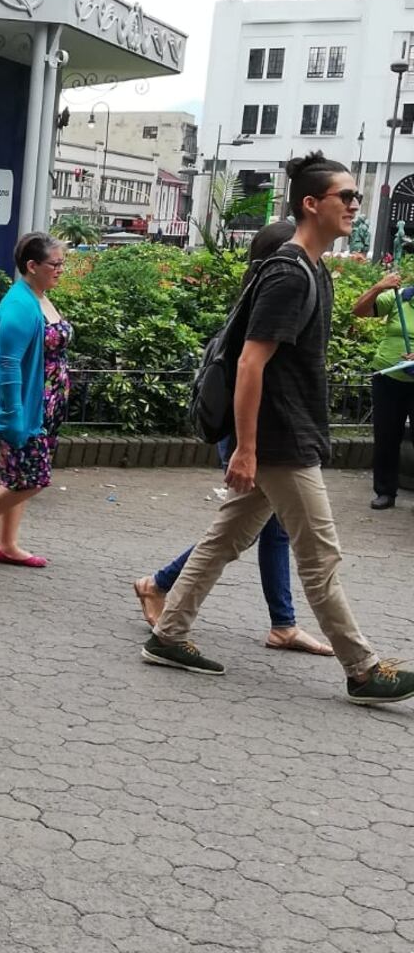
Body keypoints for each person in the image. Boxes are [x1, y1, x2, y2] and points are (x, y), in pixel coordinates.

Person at [142, 152, 414, 704]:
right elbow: (249, 363)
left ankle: (168, 634)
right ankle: (362, 668)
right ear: (311, 204)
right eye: (346, 196)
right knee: (320, 554)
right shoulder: (290, 273)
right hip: (280, 441)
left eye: (357, 197)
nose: (355, 205)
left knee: (224, 538)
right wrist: (245, 448)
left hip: (287, 434)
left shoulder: (312, 270)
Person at [133, 220, 332, 657]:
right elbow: (250, 372)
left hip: (266, 437)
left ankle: (279, 623)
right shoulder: (278, 289)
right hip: (255, 436)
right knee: (240, 533)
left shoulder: (275, 288)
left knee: (252, 531)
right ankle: (161, 587)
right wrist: (247, 447)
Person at [0, 233, 70, 567]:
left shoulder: (38, 296)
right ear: (32, 265)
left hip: (42, 403)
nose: (60, 270)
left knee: (17, 474)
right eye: (55, 264)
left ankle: (7, 544)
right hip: (22, 403)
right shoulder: (19, 304)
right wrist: (13, 415)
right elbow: (8, 364)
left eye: (62, 263)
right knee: (34, 476)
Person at [352, 264, 414, 510]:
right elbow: (359, 310)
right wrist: (379, 287)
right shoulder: (401, 297)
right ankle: (385, 491)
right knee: (387, 436)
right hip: (388, 376)